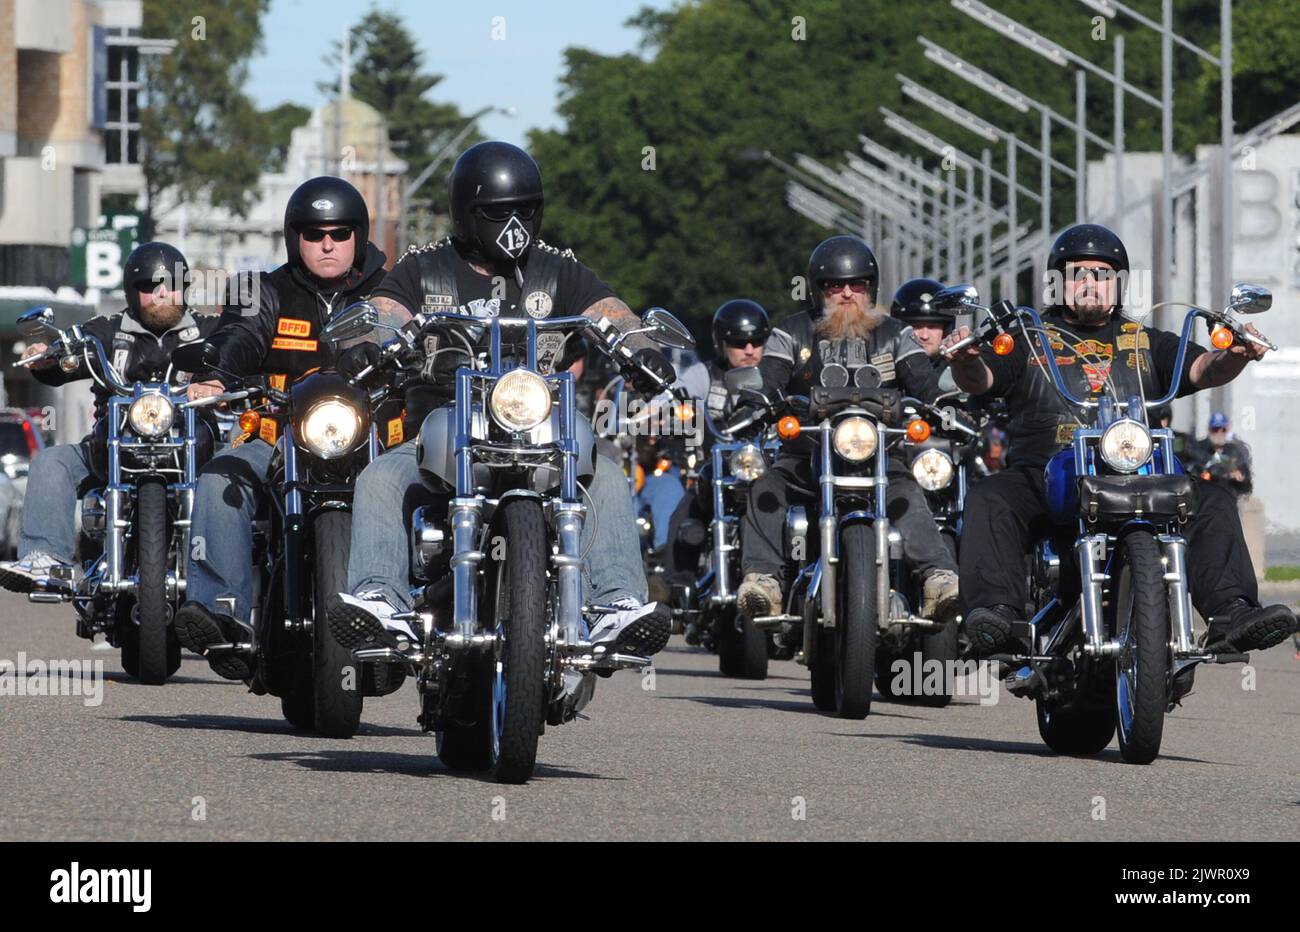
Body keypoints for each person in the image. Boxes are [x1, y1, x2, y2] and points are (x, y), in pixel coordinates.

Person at [323, 141, 678, 661]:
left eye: (524, 209)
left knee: (603, 472)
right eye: (497, 212)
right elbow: (385, 310)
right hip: (445, 425)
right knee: (381, 476)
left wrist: (640, 348)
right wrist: (368, 342)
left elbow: (612, 311)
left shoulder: (559, 270)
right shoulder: (425, 269)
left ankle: (616, 602)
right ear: (468, 212)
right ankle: (381, 598)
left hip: (541, 430)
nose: (513, 222)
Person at [942, 222, 1296, 655]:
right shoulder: (1026, 339)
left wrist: (1235, 355)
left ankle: (1232, 614)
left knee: (1214, 499)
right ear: (1058, 282)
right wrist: (967, 358)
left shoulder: (1145, 341)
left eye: (1103, 274)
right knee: (990, 496)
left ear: (1118, 284)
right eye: (1079, 273)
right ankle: (998, 615)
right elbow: (982, 379)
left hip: (1138, 473)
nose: (1091, 283)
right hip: (1046, 473)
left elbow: (1204, 368)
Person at [171, 176, 391, 679]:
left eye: (339, 232)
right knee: (221, 473)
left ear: (358, 235)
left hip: (374, 440)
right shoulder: (261, 288)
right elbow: (238, 333)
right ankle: (221, 610)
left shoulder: (390, 291)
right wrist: (213, 373)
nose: (327, 243)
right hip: (278, 432)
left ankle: (427, 622)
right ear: (295, 238)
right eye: (314, 234)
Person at [734, 236, 961, 624]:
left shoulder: (895, 334)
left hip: (880, 457)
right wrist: (758, 401)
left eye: (856, 285)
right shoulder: (791, 333)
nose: (846, 294)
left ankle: (939, 577)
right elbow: (770, 379)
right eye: (834, 286)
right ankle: (763, 580)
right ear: (817, 290)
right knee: (766, 485)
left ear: (870, 289)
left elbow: (924, 382)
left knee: (908, 490)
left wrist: (948, 402)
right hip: (807, 456)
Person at [0, 242, 218, 591]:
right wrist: (46, 356)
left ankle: (230, 588)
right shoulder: (104, 330)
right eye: (149, 286)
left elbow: (245, 356)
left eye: (171, 284)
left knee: (236, 476)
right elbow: (65, 361)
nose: (162, 293)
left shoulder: (213, 331)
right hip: (112, 446)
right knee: (52, 461)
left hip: (193, 450)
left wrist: (227, 380)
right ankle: (45, 559)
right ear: (133, 292)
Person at [663, 298, 771, 584]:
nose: (749, 350)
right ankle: (682, 591)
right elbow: (675, 395)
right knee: (683, 518)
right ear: (721, 344)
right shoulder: (704, 374)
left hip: (768, 471)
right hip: (719, 470)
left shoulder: (775, 377)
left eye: (757, 342)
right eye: (738, 343)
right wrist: (663, 410)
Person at [1189, 411, 1253, 497]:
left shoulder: (1234, 451)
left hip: (1228, 499)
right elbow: (1197, 474)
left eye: (1223, 430)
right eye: (1215, 429)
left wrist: (1240, 478)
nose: (1219, 433)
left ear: (1228, 430)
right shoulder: (1199, 448)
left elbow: (1247, 483)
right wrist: (1228, 475)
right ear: (1209, 430)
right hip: (1204, 500)